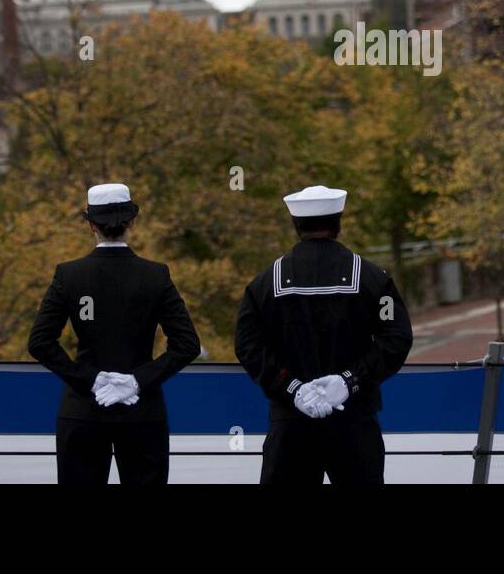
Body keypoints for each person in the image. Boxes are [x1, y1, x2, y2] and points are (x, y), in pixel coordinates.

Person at [235, 185, 413, 484]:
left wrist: (293, 388)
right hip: (354, 422)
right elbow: (395, 339)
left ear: (296, 224)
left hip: (290, 425)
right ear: (338, 222)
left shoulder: (263, 284)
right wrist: (350, 380)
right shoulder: (373, 279)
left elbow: (248, 345)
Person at [28, 183, 200, 484]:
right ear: (131, 221)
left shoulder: (69, 274)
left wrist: (91, 380)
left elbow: (40, 342)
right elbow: (187, 345)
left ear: (91, 224)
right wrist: (136, 382)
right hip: (142, 413)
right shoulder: (155, 274)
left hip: (83, 411)